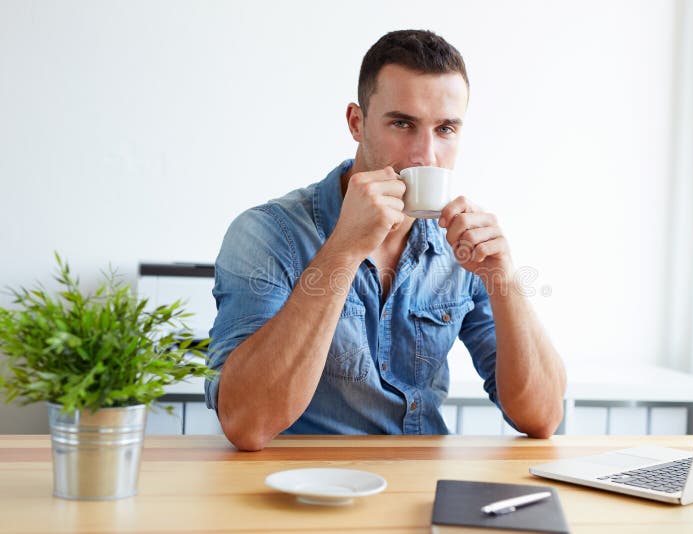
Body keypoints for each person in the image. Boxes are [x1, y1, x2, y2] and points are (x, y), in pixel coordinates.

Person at [205, 29, 566, 451]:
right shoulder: (268, 233)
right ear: (356, 123)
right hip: (309, 491)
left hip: (424, 486)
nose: (425, 155)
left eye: (445, 129)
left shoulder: (461, 245)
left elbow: (541, 418)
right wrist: (344, 248)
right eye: (402, 123)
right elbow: (245, 422)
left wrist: (502, 278)